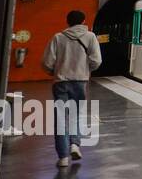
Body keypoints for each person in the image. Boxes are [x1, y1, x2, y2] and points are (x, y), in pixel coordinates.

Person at [41, 10, 102, 168]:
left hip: (61, 83)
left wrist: (54, 72)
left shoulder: (58, 37)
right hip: (80, 82)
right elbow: (96, 61)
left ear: (67, 22)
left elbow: (47, 62)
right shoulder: (90, 37)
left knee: (60, 119)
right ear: (83, 21)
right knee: (76, 115)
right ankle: (75, 144)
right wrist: (86, 70)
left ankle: (63, 158)